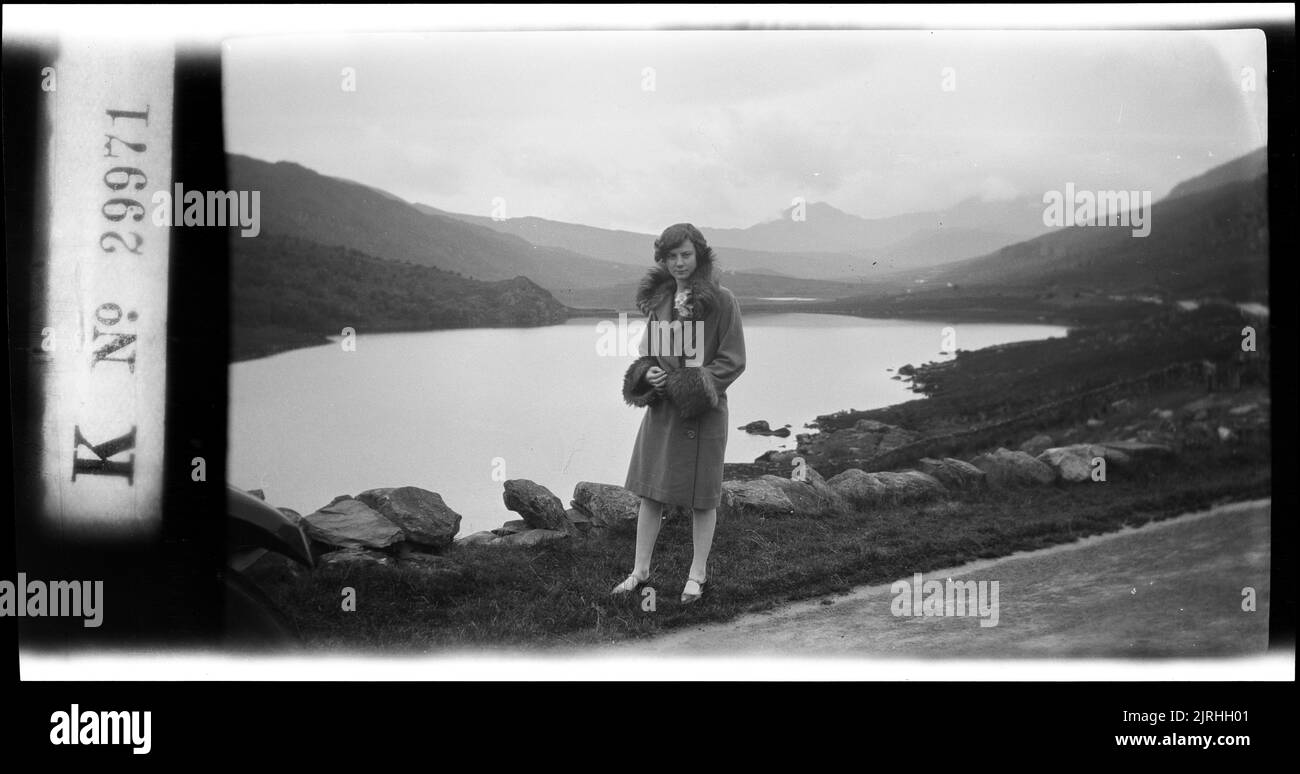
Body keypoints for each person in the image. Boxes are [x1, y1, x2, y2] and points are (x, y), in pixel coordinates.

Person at [613, 223, 746, 603]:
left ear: (699, 255)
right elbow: (650, 352)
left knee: (702, 497)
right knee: (650, 493)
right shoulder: (661, 301)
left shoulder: (722, 300)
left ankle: (697, 575)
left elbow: (733, 360)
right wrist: (648, 372)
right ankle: (639, 572)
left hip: (702, 413)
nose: (678, 263)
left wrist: (690, 385)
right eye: (671, 256)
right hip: (663, 411)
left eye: (685, 254)